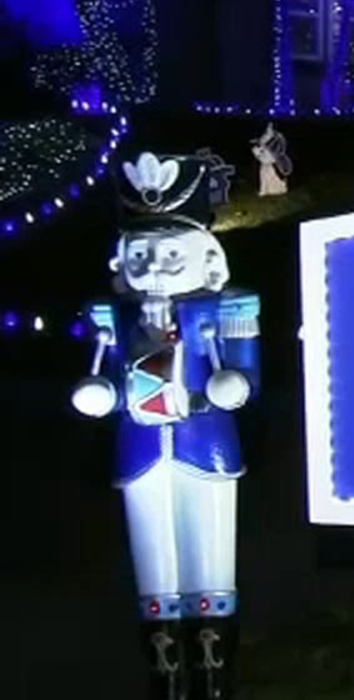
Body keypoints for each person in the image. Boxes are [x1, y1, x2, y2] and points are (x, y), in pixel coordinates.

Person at [70, 152, 260, 700]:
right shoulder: (112, 320)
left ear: (211, 263)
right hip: (140, 449)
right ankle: (167, 681)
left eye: (172, 253)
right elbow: (105, 379)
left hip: (207, 447)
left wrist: (233, 387)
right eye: (143, 253)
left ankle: (215, 678)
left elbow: (247, 376)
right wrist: (100, 394)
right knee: (154, 567)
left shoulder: (227, 309)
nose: (155, 266)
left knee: (212, 563)